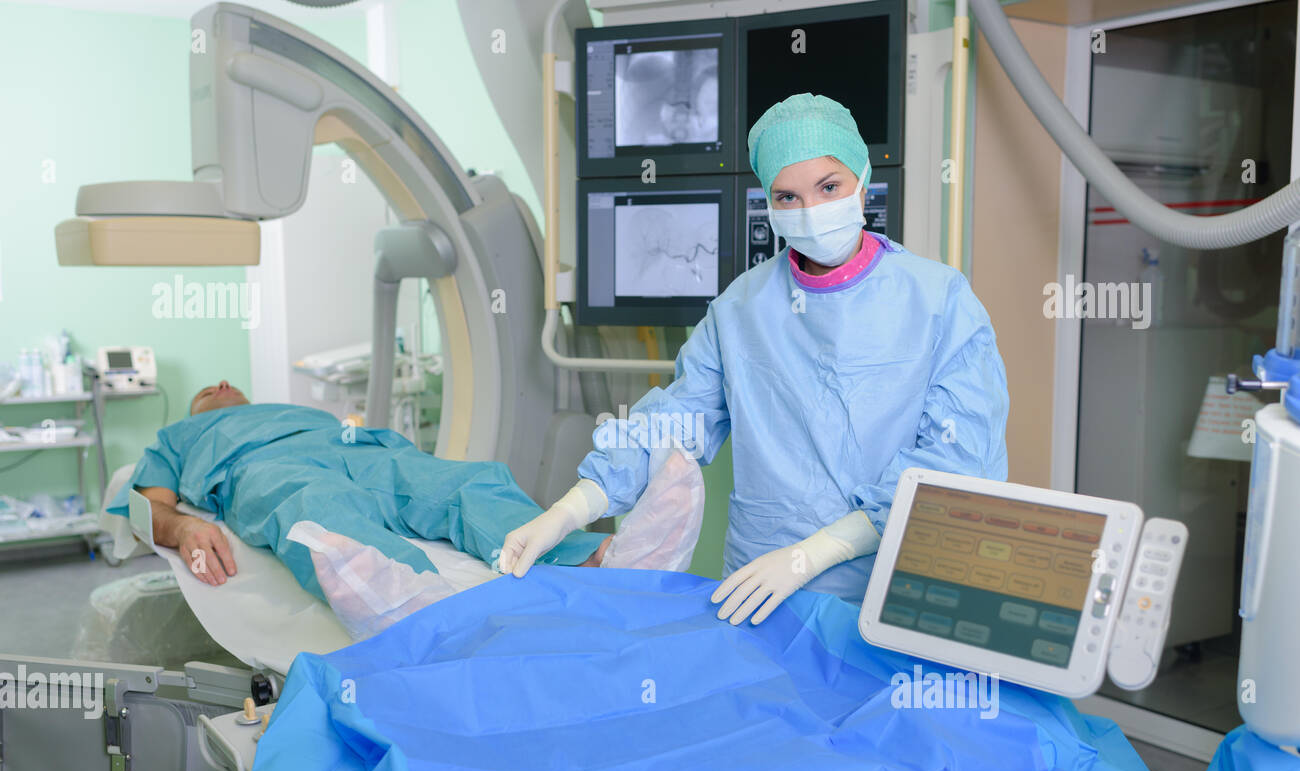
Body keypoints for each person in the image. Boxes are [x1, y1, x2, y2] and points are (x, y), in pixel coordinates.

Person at [500, 93, 1009, 625]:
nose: (811, 210)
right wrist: (570, 510)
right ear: (769, 203)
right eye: (787, 197)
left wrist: (816, 554)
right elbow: (674, 424)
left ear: (863, 177)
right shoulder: (741, 310)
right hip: (767, 594)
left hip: (902, 591)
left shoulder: (938, 301)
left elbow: (958, 460)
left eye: (829, 187)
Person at [106, 381, 609, 597]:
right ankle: (420, 599)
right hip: (265, 468)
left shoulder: (291, 410)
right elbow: (150, 507)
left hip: (360, 449)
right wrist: (186, 527)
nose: (219, 383)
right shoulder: (180, 438)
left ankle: (587, 557)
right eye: (205, 391)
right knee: (314, 510)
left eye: (226, 382)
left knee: (466, 482)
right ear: (197, 411)